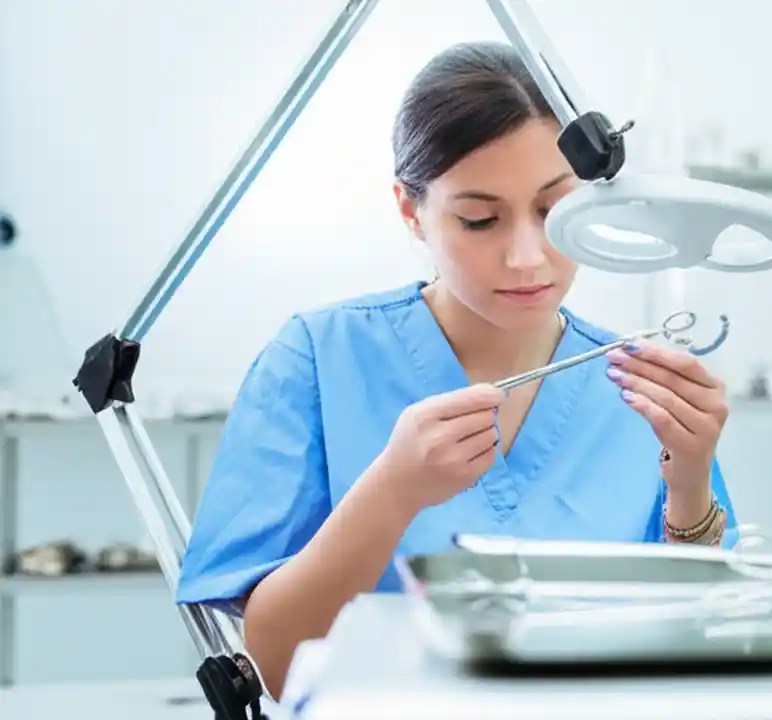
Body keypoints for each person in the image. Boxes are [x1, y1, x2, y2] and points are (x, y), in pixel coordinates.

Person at [174, 40, 739, 698]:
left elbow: (696, 644)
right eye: (479, 219)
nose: (528, 258)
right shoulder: (317, 359)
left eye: (554, 211)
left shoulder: (638, 388)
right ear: (411, 210)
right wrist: (393, 490)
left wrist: (691, 481)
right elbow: (275, 663)